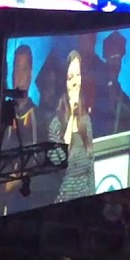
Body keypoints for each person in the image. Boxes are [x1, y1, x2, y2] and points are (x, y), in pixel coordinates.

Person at [49, 50, 95, 203]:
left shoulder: (86, 121)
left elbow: (90, 169)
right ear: (63, 83)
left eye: (78, 75)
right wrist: (71, 119)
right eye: (70, 77)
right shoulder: (55, 124)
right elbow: (56, 164)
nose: (75, 82)